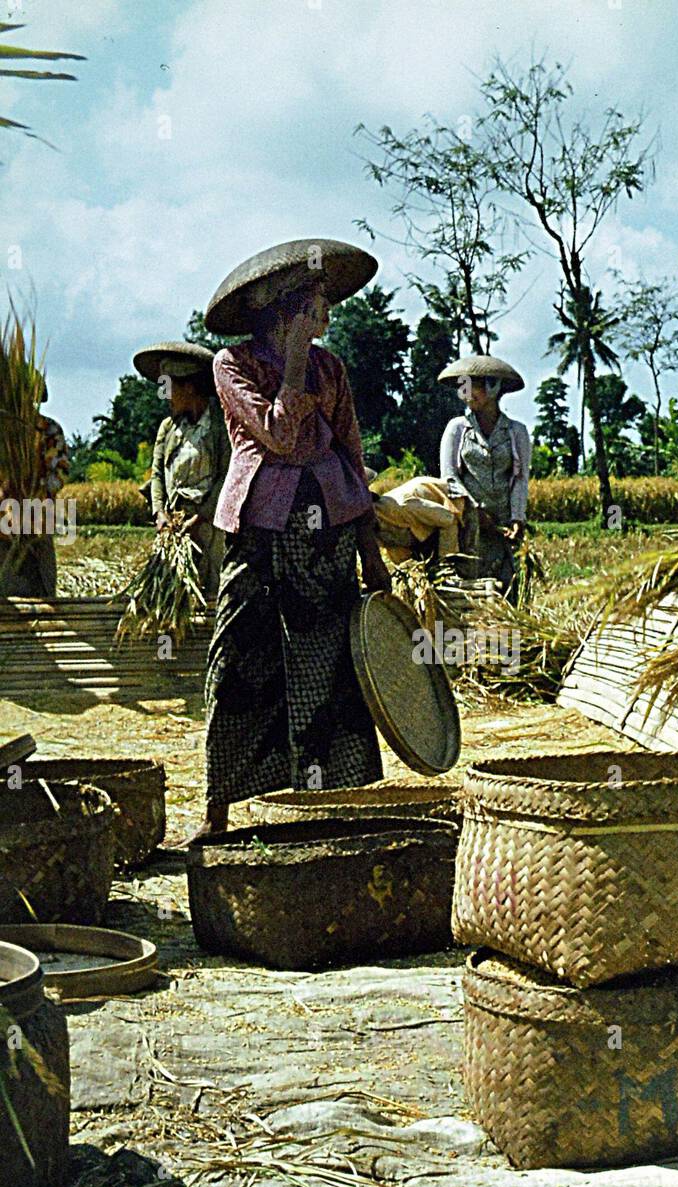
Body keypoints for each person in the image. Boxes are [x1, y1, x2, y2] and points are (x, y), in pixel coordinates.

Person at [193, 238, 390, 839]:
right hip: (261, 536)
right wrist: (297, 359)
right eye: (317, 302)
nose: (327, 312)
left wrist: (372, 554)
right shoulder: (233, 367)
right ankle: (217, 809)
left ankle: (341, 805)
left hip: (328, 540)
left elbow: (351, 458)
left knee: (328, 671)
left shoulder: (336, 370)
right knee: (240, 663)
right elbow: (277, 436)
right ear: (287, 308)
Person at [133, 342, 230, 596]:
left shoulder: (220, 426)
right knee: (171, 594)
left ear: (189, 387)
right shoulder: (167, 428)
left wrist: (201, 518)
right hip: (173, 525)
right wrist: (160, 514)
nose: (164, 396)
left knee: (210, 591)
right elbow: (156, 475)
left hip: (209, 525)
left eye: (168, 388)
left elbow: (227, 477)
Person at [436, 355, 531, 599]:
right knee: (472, 590)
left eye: (472, 386)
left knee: (506, 589)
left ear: (493, 387)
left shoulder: (516, 431)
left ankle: (509, 636)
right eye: (463, 388)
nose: (466, 394)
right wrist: (473, 509)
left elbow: (520, 479)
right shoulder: (456, 428)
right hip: (467, 525)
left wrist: (517, 518)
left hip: (503, 526)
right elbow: (449, 476)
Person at [0, 374, 69, 598]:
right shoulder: (3, 431)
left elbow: (59, 474)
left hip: (37, 522)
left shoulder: (49, 430)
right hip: (3, 523)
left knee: (42, 589)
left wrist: (34, 494)